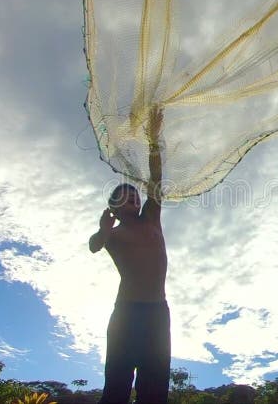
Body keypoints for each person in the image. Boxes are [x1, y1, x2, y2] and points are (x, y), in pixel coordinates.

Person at [91, 109, 169, 404]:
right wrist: (103, 231)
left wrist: (153, 140)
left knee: (155, 384)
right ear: (114, 206)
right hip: (126, 312)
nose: (134, 198)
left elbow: (157, 179)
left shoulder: (152, 218)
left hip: (158, 312)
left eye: (135, 195)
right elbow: (93, 245)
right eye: (126, 196)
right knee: (118, 382)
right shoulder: (114, 233)